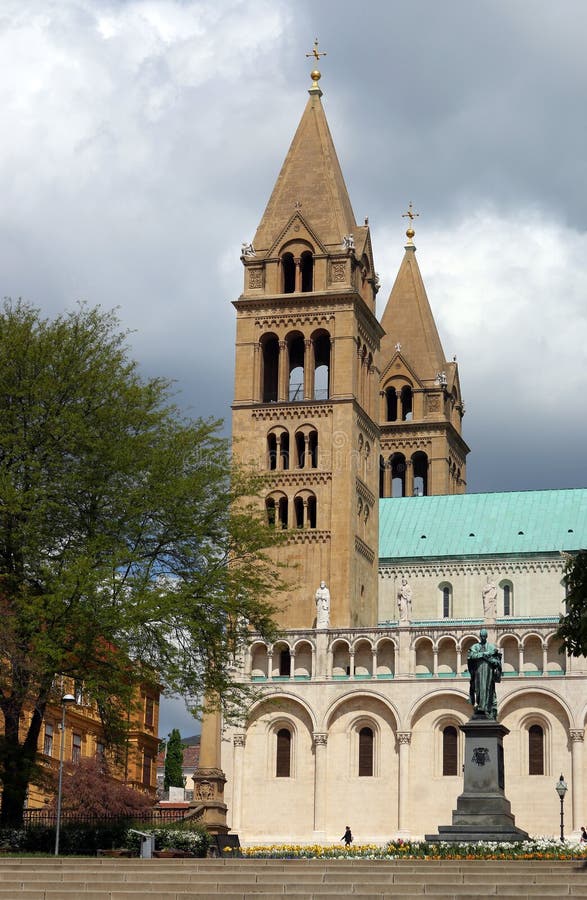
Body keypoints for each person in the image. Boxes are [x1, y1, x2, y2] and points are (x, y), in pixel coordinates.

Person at [467, 628, 502, 720]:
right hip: (478, 671)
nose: (483, 638)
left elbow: (497, 661)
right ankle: (480, 706)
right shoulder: (475, 647)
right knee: (478, 689)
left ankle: (486, 708)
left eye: (484, 636)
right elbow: (471, 656)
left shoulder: (491, 647)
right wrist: (483, 654)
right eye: (481, 636)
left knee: (488, 688)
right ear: (480, 636)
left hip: (488, 671)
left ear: (486, 636)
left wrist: (492, 660)